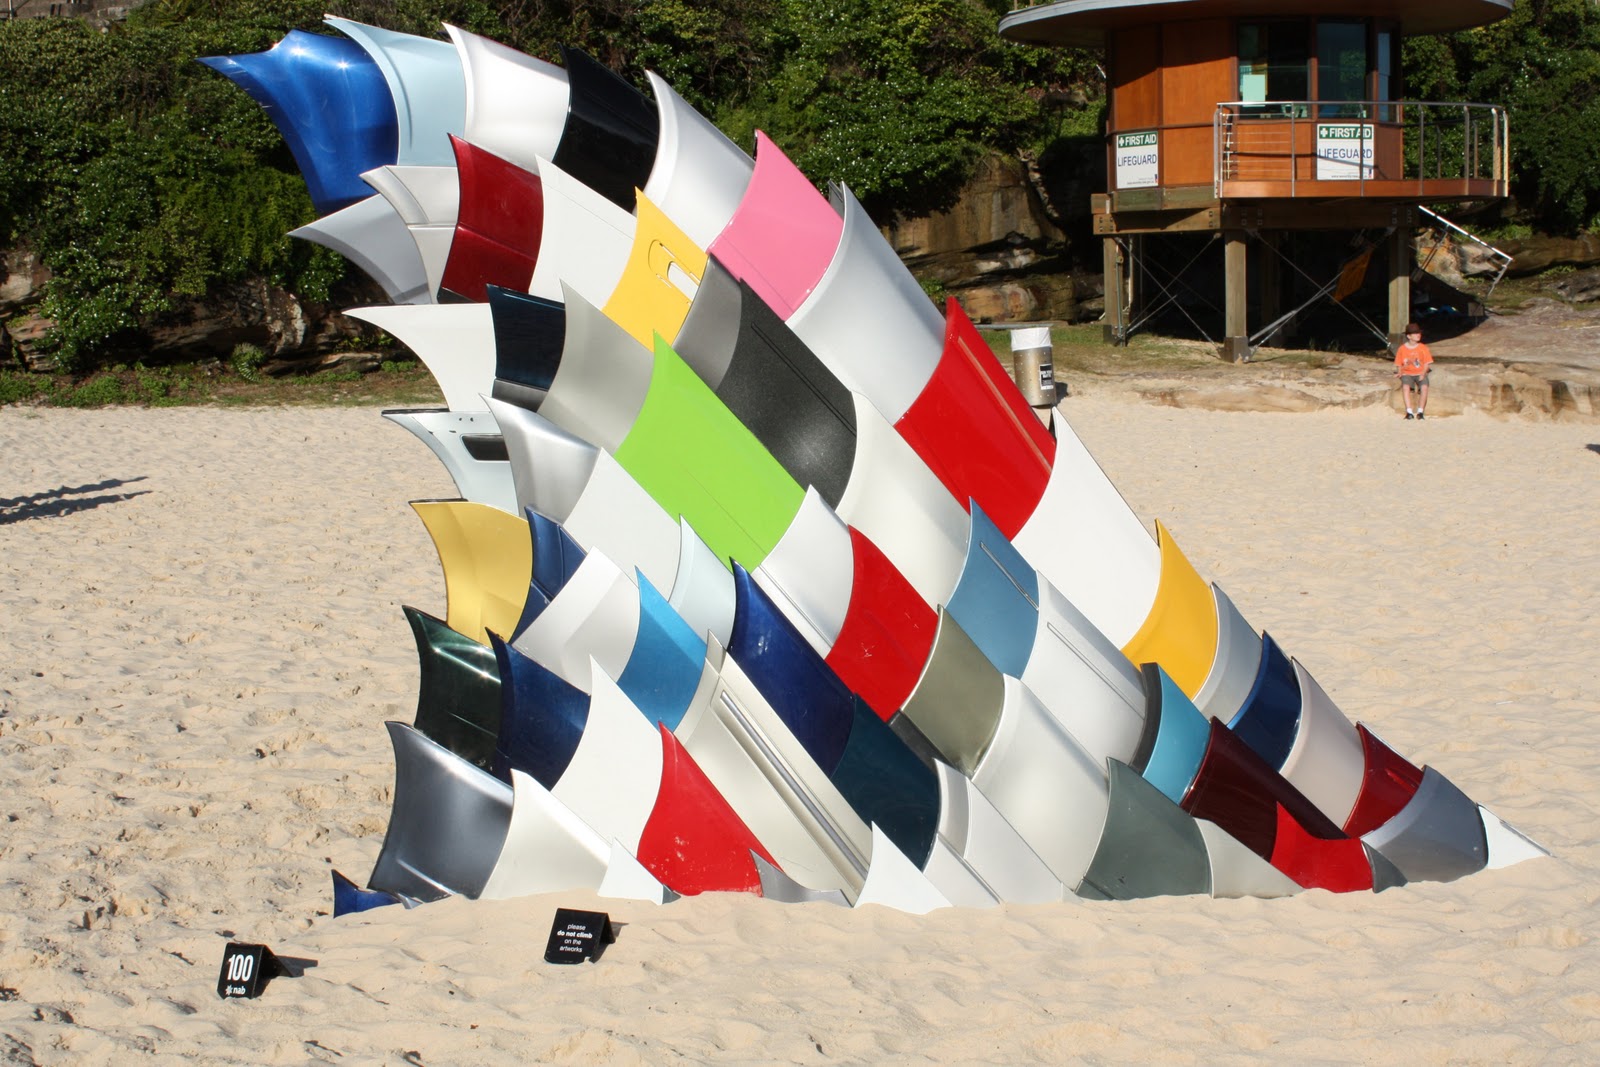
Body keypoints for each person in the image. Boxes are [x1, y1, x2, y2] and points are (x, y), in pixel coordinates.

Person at [1394, 322, 1434, 419]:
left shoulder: (1423, 348)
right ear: (1409, 336)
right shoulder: (1402, 349)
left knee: (1424, 387)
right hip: (1407, 373)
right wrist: (1400, 372)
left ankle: (1420, 412)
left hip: (1420, 372)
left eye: (1419, 333)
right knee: (1406, 387)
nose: (1418, 335)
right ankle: (1409, 412)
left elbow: (1427, 363)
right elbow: (1399, 363)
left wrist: (1423, 374)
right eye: (1415, 333)